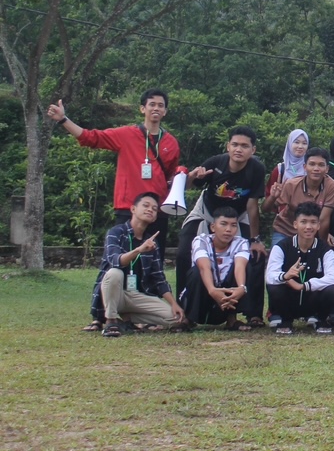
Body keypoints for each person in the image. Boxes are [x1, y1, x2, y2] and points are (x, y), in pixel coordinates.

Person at [48, 89, 180, 256]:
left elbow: (169, 177)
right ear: (142, 108)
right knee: (121, 259)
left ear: (165, 111)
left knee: (153, 262)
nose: (156, 108)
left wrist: (187, 177)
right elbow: (91, 138)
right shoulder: (126, 134)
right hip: (127, 208)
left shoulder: (171, 143)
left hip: (156, 211)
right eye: (152, 104)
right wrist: (63, 119)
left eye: (160, 105)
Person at [178, 126, 267, 312]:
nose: (238, 149)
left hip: (238, 216)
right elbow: (187, 186)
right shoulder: (216, 162)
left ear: (253, 150)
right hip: (206, 212)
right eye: (235, 144)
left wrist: (255, 239)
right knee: (184, 253)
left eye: (244, 146)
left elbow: (252, 205)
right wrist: (192, 176)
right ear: (228, 146)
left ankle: (253, 314)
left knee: (256, 256)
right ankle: (183, 309)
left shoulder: (256, 169)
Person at [89, 192, 187, 337]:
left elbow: (159, 278)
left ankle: (127, 318)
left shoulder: (151, 242)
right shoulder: (116, 232)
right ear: (133, 209)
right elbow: (116, 261)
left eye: (154, 209)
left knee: (175, 318)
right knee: (115, 273)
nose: (150, 210)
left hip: (136, 295)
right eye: (146, 206)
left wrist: (174, 304)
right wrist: (139, 250)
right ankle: (111, 321)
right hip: (114, 293)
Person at [265, 202, 334, 335]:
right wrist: (285, 276)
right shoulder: (282, 246)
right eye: (303, 222)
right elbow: (270, 275)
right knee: (274, 287)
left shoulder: (325, 249)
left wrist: (305, 286)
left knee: (332, 290)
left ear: (318, 225)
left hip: (312, 299)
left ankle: (320, 319)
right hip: (288, 299)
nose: (308, 227)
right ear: (295, 224)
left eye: (313, 222)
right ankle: (285, 321)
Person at [177, 207, 257, 331]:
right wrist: (212, 290)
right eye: (224, 224)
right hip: (205, 294)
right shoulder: (201, 240)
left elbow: (240, 266)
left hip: (228, 298)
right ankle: (189, 319)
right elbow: (204, 267)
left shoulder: (241, 243)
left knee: (248, 268)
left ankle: (231, 319)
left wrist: (241, 288)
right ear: (213, 227)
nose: (228, 229)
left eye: (233, 225)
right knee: (196, 272)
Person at [263, 147, 334, 246]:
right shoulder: (291, 184)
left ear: (327, 169)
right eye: (312, 164)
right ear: (305, 167)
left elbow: (323, 219)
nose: (316, 169)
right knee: (277, 255)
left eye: (321, 165)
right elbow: (266, 209)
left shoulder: (332, 186)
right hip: (286, 231)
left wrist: (322, 246)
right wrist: (272, 197)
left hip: (311, 235)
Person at [265, 129, 308, 194]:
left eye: (304, 143)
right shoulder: (280, 170)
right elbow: (268, 195)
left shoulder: (310, 168)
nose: (300, 146)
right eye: (296, 142)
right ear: (289, 144)